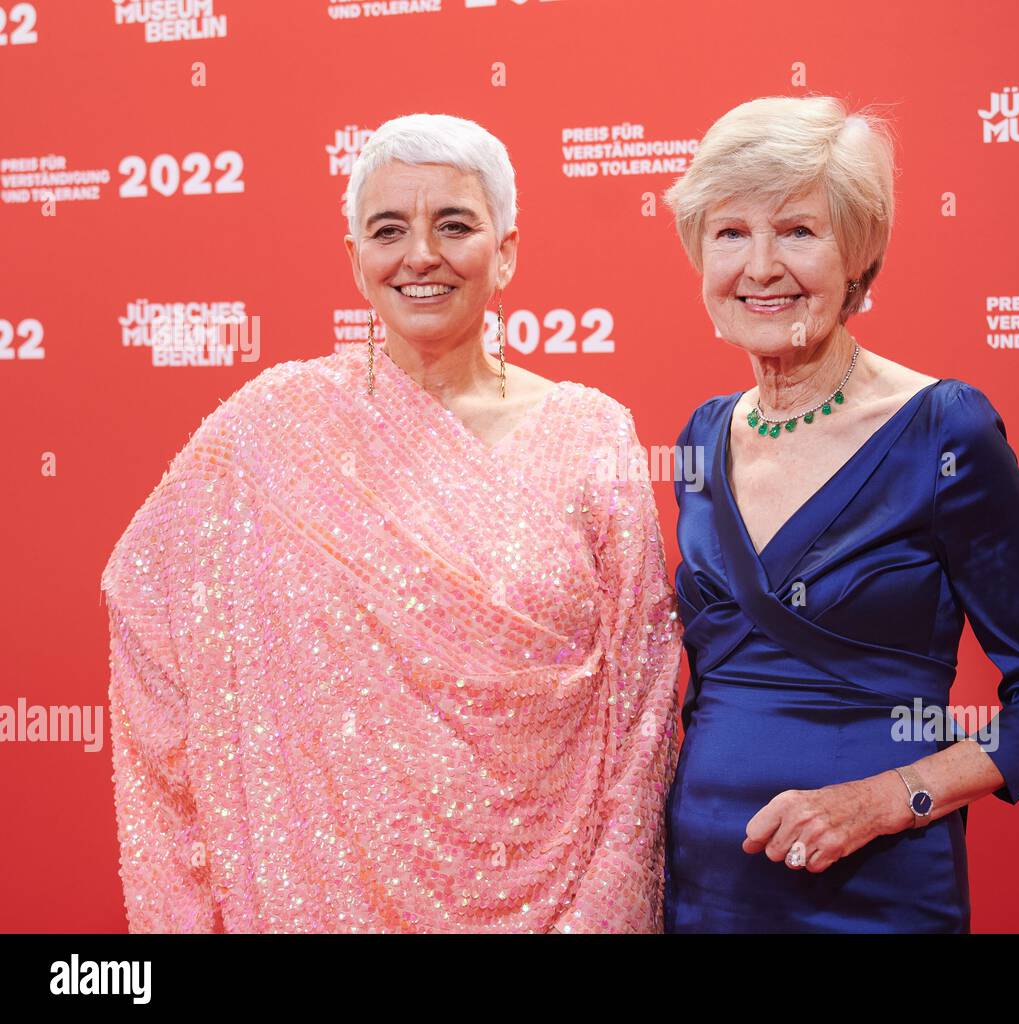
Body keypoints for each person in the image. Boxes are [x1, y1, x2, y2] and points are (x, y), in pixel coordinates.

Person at [101, 112, 682, 933]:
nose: (420, 255)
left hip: (561, 905)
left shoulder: (592, 433)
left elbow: (644, 696)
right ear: (355, 261)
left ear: (506, 250)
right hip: (320, 907)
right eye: (389, 230)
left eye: (454, 225)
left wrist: (607, 906)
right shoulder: (271, 429)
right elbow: (144, 603)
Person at [660, 95, 1019, 932]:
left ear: (858, 256)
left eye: (797, 231)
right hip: (707, 886)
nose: (760, 267)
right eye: (730, 233)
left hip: (875, 889)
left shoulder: (944, 428)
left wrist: (883, 800)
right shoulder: (701, 438)